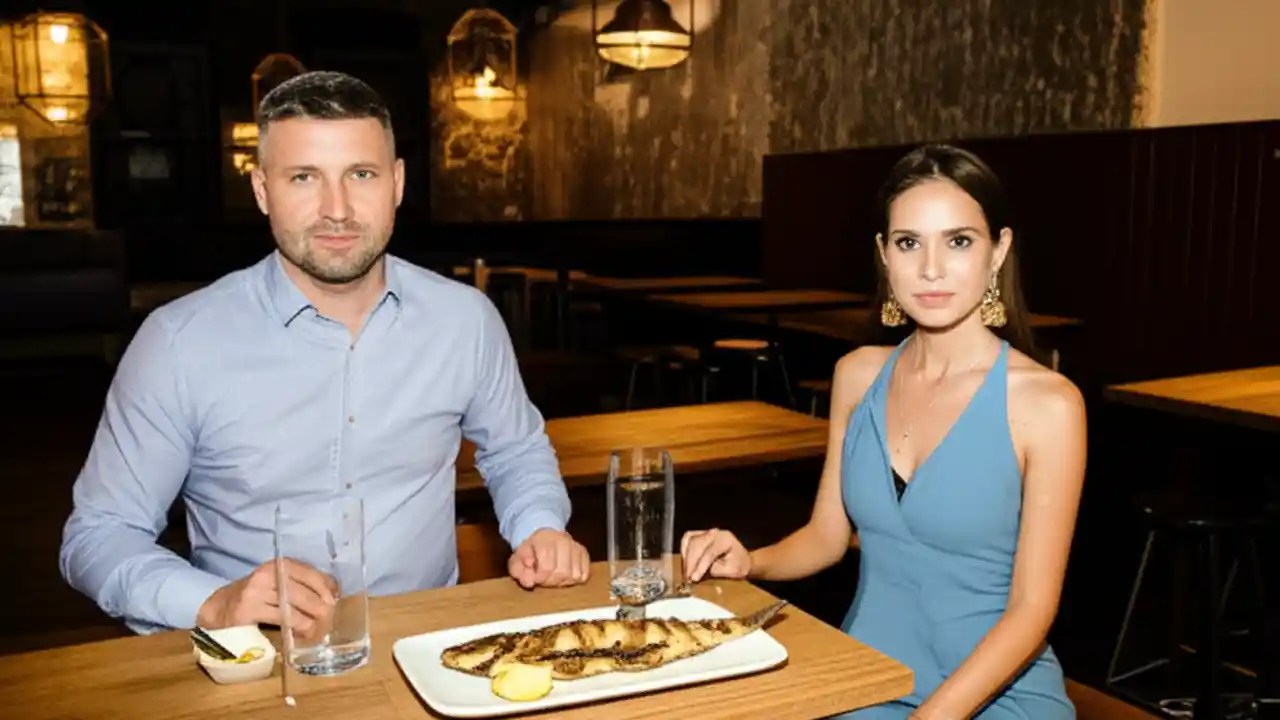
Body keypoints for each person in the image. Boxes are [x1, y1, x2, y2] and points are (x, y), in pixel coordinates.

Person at [60, 71, 590, 636]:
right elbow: (99, 534)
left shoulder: (465, 321)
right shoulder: (178, 343)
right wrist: (214, 603)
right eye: (304, 177)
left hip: (426, 646)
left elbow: (514, 450)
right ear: (262, 189)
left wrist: (538, 526)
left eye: (360, 174)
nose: (336, 209)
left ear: (397, 183)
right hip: (255, 660)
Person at [681, 144, 1085, 718]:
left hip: (994, 696)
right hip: (868, 679)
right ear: (884, 255)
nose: (931, 268)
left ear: (999, 252)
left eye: (959, 241)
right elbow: (825, 537)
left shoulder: (1048, 404)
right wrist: (750, 561)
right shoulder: (858, 374)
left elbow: (1031, 610)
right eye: (909, 242)